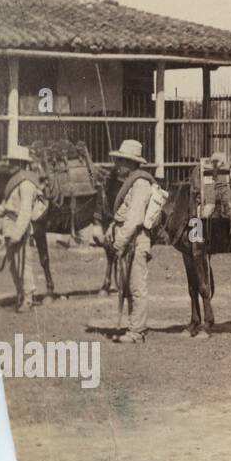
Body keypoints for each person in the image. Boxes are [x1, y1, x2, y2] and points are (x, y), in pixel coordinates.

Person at [106, 139, 156, 344]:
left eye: (123, 161)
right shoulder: (130, 183)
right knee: (125, 286)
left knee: (136, 287)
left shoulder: (141, 184)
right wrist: (112, 227)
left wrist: (119, 243)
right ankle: (132, 326)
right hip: (127, 239)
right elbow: (123, 213)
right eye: (119, 160)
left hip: (136, 241)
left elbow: (134, 218)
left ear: (133, 164)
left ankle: (137, 331)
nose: (118, 165)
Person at [0, 145, 46, 312]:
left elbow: (25, 212)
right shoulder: (15, 181)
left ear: (21, 163)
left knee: (23, 264)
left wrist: (17, 234)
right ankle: (20, 294)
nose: (9, 164)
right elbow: (5, 206)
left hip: (19, 227)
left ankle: (28, 298)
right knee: (13, 265)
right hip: (9, 225)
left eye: (13, 162)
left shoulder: (26, 184)